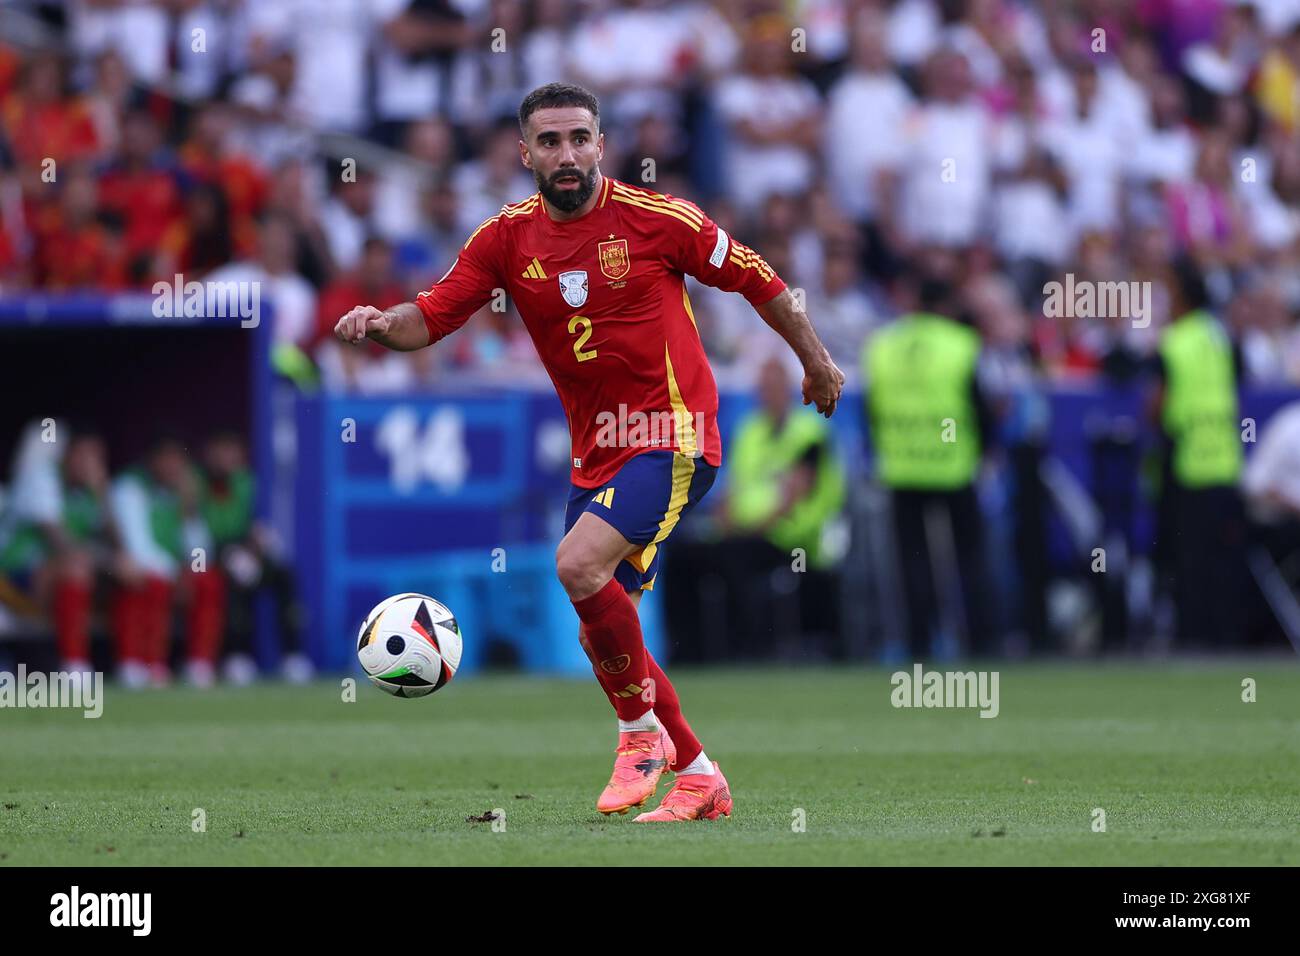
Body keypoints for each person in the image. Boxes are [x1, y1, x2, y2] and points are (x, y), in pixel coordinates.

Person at [335, 83, 844, 822]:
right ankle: (700, 773)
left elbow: (760, 280)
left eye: (579, 138)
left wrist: (817, 360)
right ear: (525, 153)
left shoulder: (656, 219)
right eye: (549, 142)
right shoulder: (505, 239)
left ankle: (639, 737)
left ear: (602, 145)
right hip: (597, 455)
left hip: (672, 435)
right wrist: (381, 323)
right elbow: (432, 318)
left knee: (575, 564)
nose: (566, 154)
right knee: (604, 626)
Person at [864, 254, 994, 659]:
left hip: (902, 467)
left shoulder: (883, 345)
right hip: (953, 466)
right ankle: (980, 642)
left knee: (912, 565)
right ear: (947, 305)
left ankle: (920, 643)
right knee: (968, 560)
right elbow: (981, 406)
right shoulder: (962, 344)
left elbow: (873, 410)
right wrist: (988, 450)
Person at [719, 354, 846, 658]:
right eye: (762, 388)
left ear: (789, 390)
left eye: (773, 387)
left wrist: (748, 529)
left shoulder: (809, 434)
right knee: (696, 556)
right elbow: (732, 488)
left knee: (739, 556)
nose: (767, 394)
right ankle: (701, 650)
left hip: (796, 536)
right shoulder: (750, 432)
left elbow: (795, 497)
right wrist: (724, 522)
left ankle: (753, 646)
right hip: (750, 533)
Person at [1151, 263, 1247, 648]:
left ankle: (1192, 637)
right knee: (1225, 558)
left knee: (1188, 559)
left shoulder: (1174, 341)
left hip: (1188, 459)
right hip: (1224, 458)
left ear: (1181, 298)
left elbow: (1158, 403)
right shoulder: (1221, 338)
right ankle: (1229, 637)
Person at [200, 433, 312, 684]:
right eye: (220, 453)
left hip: (245, 551)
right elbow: (196, 532)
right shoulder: (197, 485)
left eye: (231, 453)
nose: (226, 460)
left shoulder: (247, 484)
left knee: (283, 572)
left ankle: (292, 655)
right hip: (209, 555)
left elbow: (256, 524)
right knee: (239, 574)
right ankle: (237, 655)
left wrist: (256, 543)